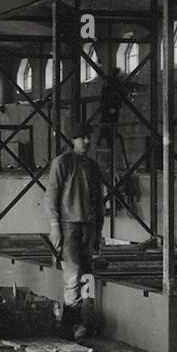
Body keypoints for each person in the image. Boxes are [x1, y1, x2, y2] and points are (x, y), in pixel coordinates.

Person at [45, 120, 104, 340]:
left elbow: (98, 202)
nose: (87, 141)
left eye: (89, 137)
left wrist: (98, 232)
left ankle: (87, 319)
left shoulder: (92, 166)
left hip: (88, 226)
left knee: (88, 276)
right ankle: (72, 323)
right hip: (68, 226)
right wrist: (55, 226)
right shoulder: (62, 163)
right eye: (83, 138)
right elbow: (51, 196)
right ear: (73, 140)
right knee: (73, 276)